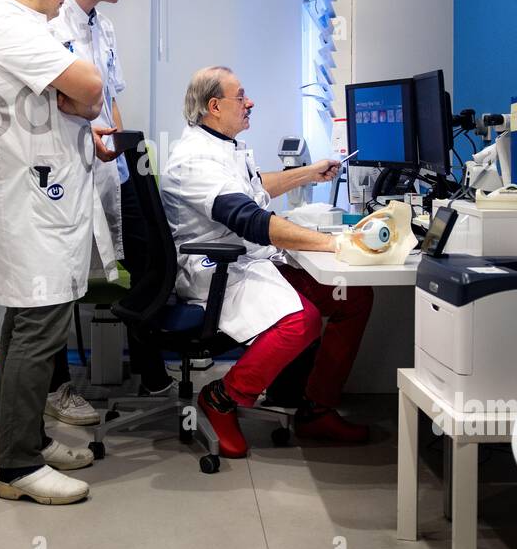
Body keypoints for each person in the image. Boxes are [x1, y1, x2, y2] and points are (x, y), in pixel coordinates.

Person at [0, 0, 112, 505]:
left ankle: (27, 440)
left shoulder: (23, 30)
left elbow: (77, 103)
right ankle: (17, 466)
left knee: (28, 326)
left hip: (38, 203)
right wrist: (73, 100)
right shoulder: (11, 29)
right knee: (35, 330)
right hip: (31, 209)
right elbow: (91, 88)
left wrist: (71, 107)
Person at [160, 66, 375, 459]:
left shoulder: (221, 145)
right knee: (302, 319)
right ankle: (222, 397)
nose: (250, 102)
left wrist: (308, 173)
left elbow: (253, 185)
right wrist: (331, 243)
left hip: (248, 260)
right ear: (214, 106)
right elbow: (250, 219)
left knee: (353, 297)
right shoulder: (193, 158)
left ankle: (315, 408)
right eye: (241, 96)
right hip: (217, 270)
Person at [42, 0, 175, 425]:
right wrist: (93, 136)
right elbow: (62, 101)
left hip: (111, 167)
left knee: (151, 256)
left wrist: (116, 141)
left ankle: (149, 366)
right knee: (60, 280)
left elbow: (109, 98)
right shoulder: (52, 25)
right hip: (70, 172)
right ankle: (56, 387)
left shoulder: (104, 27)